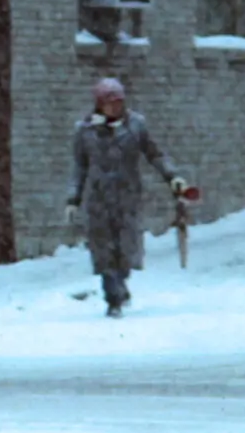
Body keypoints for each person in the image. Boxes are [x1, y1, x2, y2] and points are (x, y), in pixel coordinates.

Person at [66, 77, 188, 317]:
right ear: (99, 104)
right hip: (97, 199)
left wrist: (172, 176)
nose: (115, 107)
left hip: (127, 197)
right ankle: (113, 297)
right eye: (110, 103)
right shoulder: (85, 130)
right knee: (102, 250)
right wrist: (73, 199)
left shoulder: (135, 125)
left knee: (126, 248)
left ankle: (121, 284)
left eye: (119, 102)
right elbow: (79, 167)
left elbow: (155, 154)